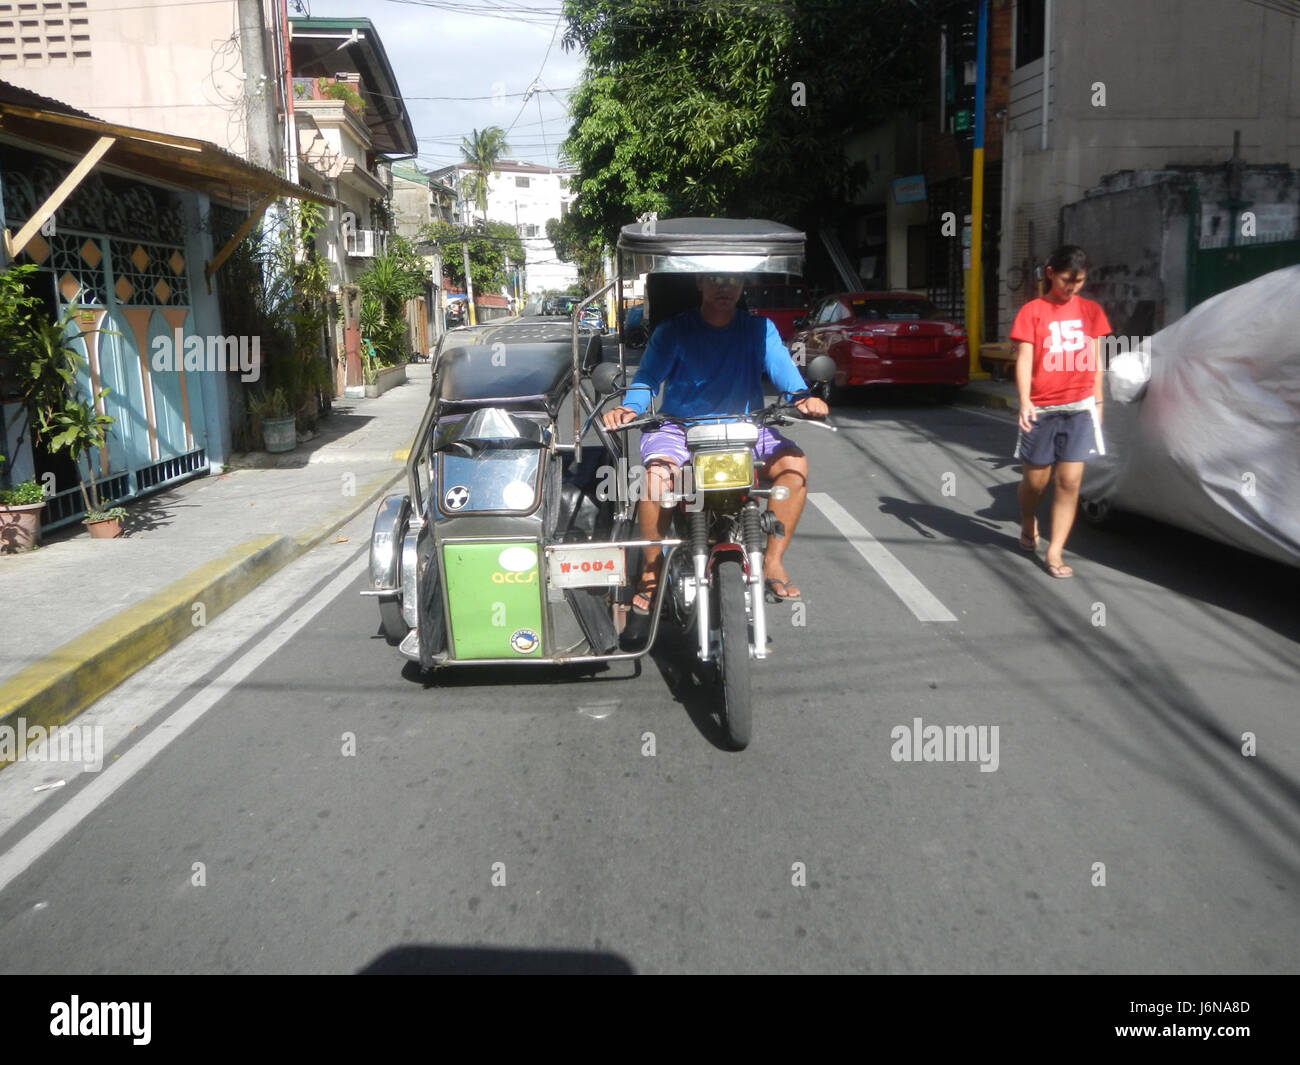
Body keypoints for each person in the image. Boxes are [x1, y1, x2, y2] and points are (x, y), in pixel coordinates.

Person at [601, 273, 829, 621]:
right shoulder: (674, 331)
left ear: (743, 287)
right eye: (716, 280)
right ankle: (651, 566)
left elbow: (783, 370)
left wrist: (802, 398)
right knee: (655, 480)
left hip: (746, 426)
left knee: (795, 466)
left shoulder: (759, 329)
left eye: (733, 281)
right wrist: (629, 407)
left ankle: (773, 560)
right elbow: (648, 377)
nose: (725, 288)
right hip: (679, 428)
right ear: (700, 285)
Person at [1011, 245, 1112, 578]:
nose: (1073, 287)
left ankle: (1054, 551)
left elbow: (1096, 362)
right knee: (1036, 483)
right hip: (1041, 407)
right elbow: (1025, 359)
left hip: (1079, 407)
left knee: (1069, 483)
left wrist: (1098, 403)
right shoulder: (1033, 311)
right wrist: (1024, 400)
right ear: (1051, 273)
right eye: (1068, 279)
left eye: (1080, 281)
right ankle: (1028, 520)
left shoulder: (1092, 312)